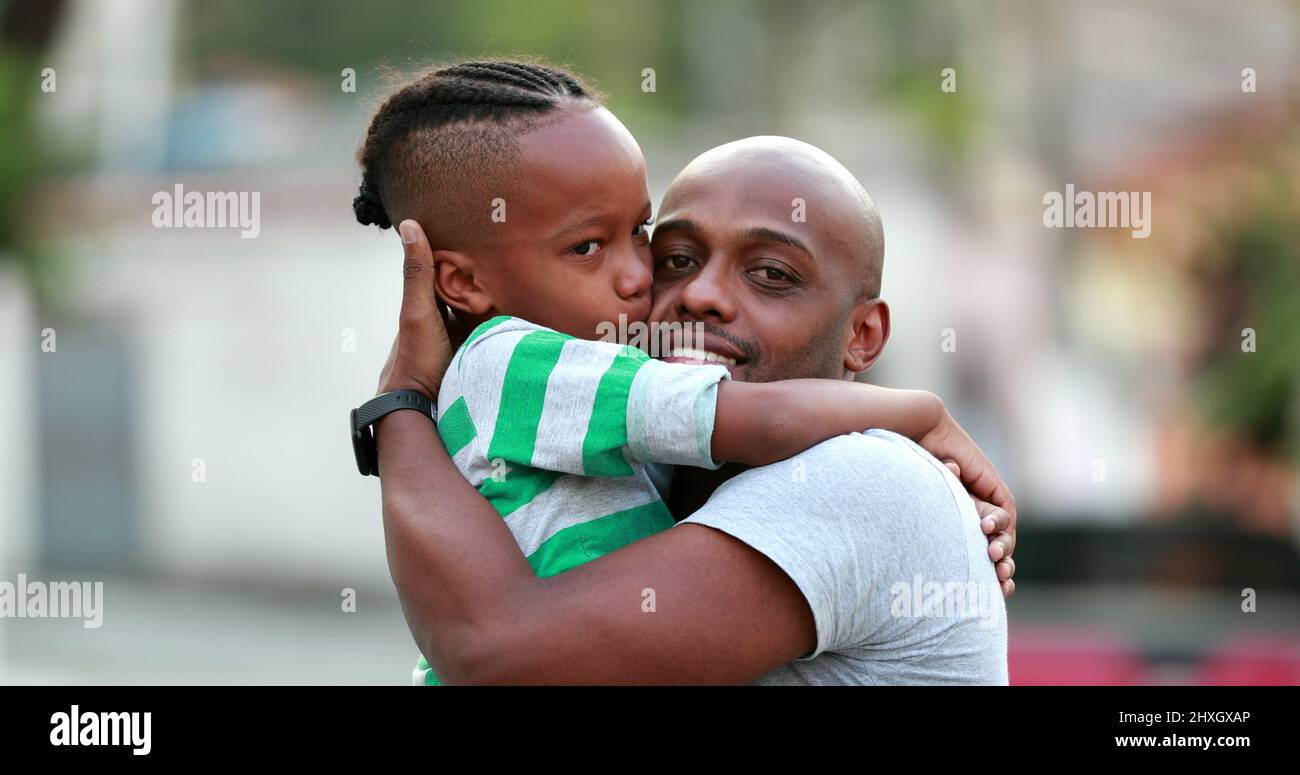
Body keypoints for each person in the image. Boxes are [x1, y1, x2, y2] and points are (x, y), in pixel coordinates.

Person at [353, 60, 1014, 684]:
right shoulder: (647, 459)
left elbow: (496, 653)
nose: (698, 294)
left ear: (863, 335)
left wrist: (401, 404)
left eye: (772, 274)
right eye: (676, 257)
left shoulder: (866, 478)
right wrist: (402, 400)